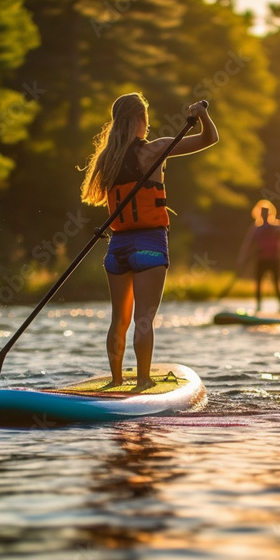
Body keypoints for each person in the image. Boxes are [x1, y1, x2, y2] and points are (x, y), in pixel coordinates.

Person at [80, 93, 218, 390]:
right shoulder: (154, 150)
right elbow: (210, 139)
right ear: (141, 120)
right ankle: (143, 380)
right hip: (149, 245)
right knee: (144, 319)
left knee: (119, 319)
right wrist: (202, 116)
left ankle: (116, 380)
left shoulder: (106, 159)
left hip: (117, 248)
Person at [237, 199, 280, 313]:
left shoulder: (277, 225)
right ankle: (258, 308)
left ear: (270, 213)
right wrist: (242, 258)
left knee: (277, 284)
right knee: (258, 284)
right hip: (261, 259)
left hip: (274, 259)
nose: (264, 214)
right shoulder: (256, 228)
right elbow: (248, 244)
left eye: (266, 212)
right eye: (262, 212)